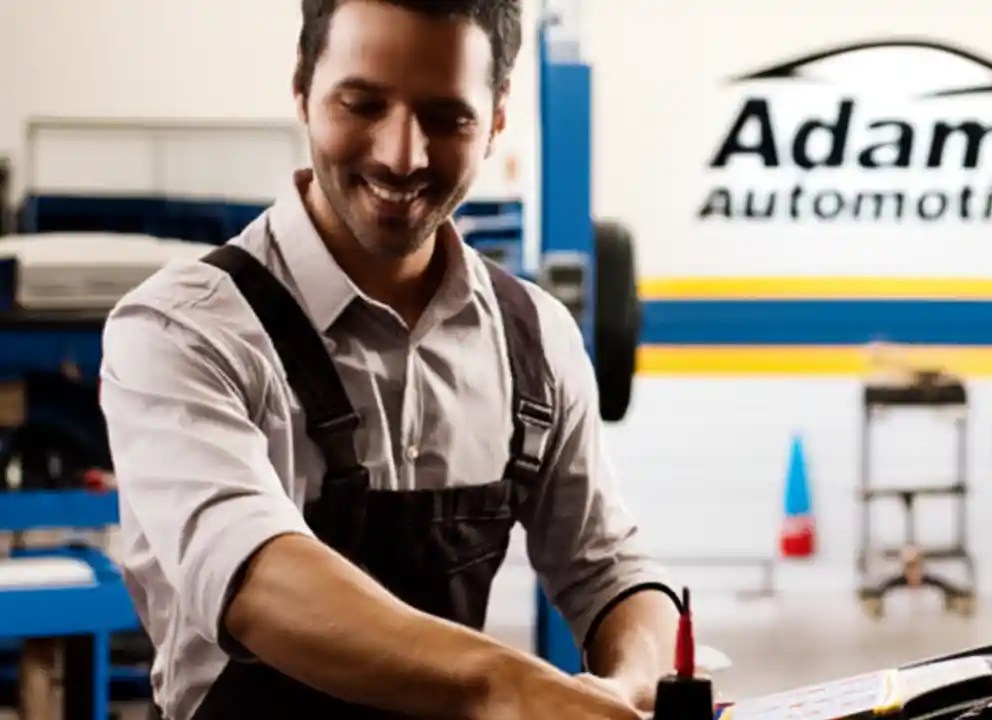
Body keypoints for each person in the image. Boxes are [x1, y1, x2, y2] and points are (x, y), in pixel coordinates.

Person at [97, 1, 681, 718]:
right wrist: (511, 686)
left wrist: (633, 682)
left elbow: (609, 567)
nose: (402, 155)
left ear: (496, 119)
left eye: (447, 118)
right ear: (303, 89)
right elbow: (253, 576)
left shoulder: (537, 339)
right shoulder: (181, 331)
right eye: (363, 103)